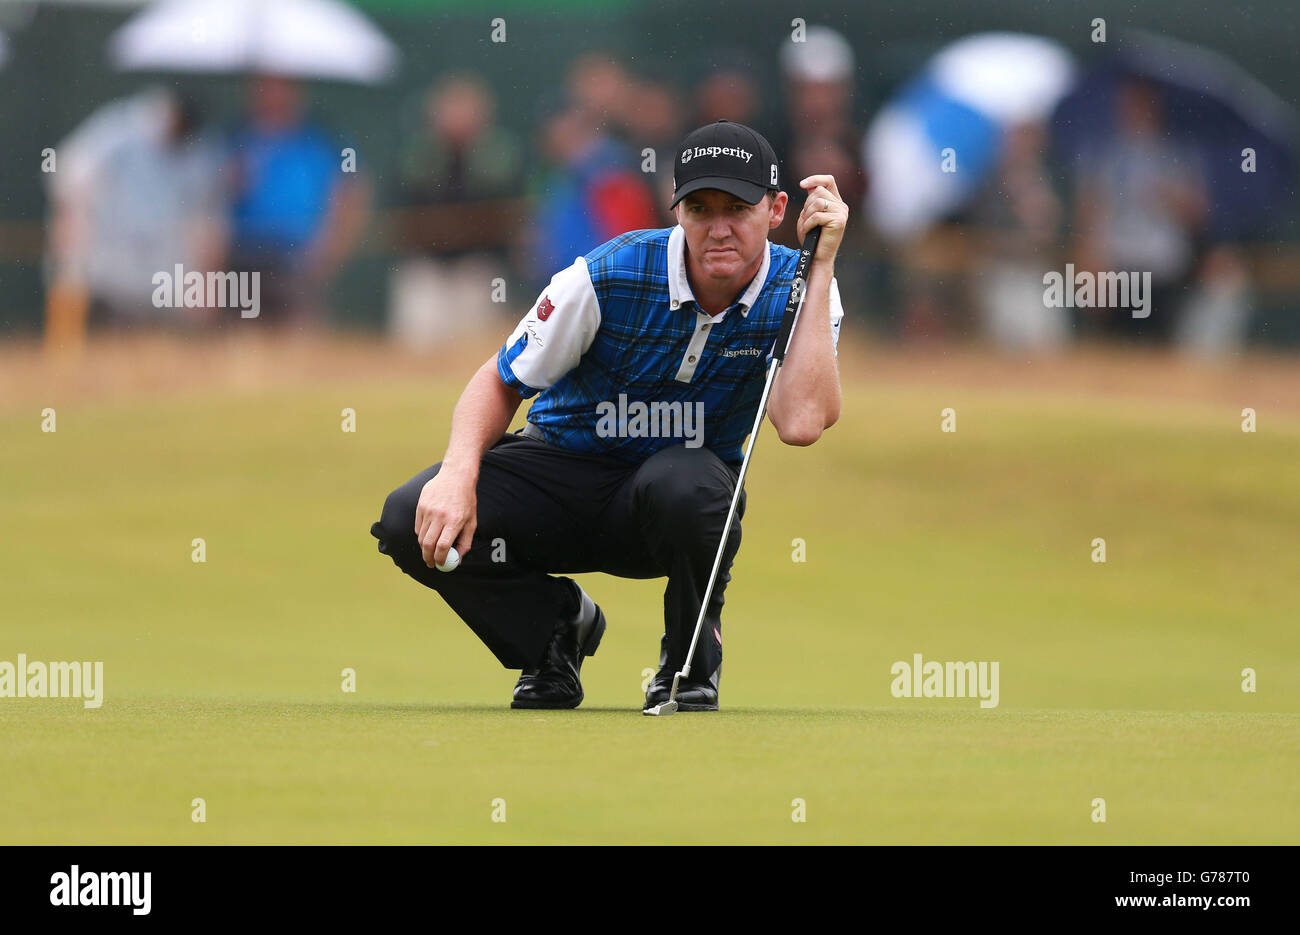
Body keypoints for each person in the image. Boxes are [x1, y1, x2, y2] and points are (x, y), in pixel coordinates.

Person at [370, 120, 846, 712]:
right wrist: (457, 474)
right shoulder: (607, 273)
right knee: (406, 521)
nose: (718, 228)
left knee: (687, 482)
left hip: (671, 510)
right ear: (677, 212)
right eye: (699, 208)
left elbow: (801, 424)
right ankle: (554, 633)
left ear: (776, 210)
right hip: (557, 476)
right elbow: (500, 378)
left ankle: (689, 663)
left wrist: (820, 267)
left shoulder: (800, 288)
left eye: (738, 209)